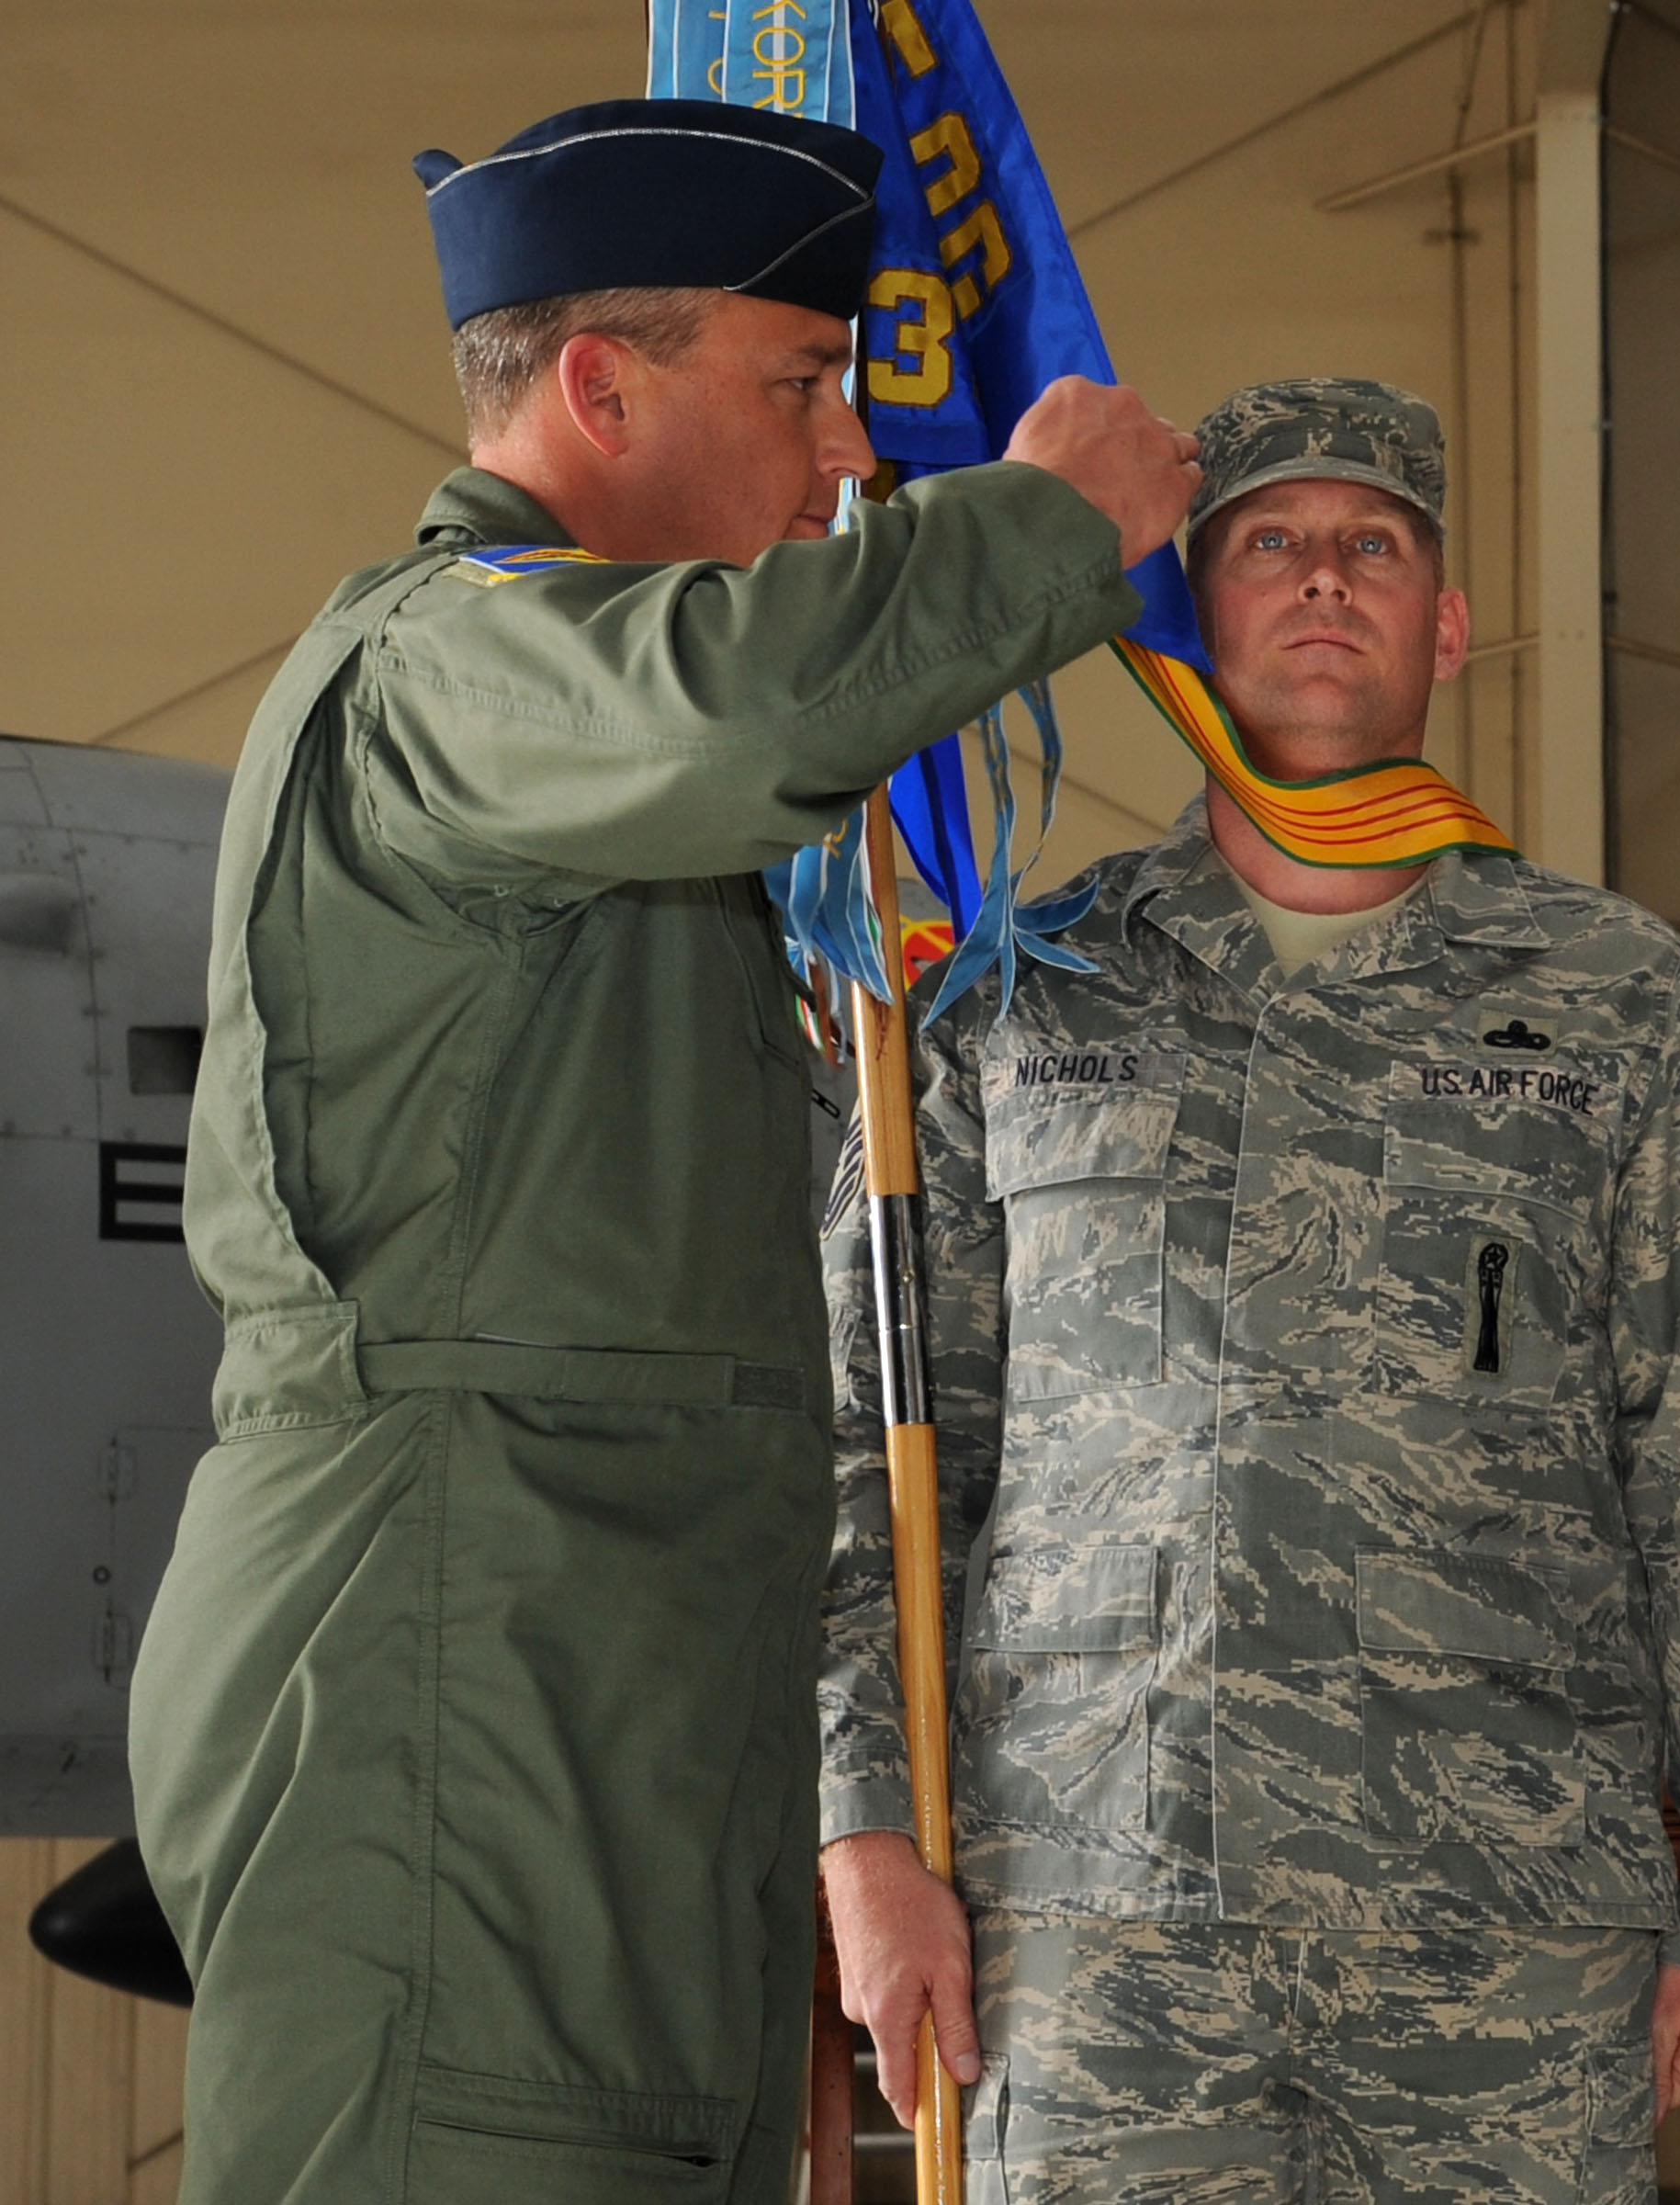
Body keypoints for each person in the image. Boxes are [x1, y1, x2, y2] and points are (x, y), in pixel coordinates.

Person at [128, 97, 1198, 2205]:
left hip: (580, 1685)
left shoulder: (571, 741)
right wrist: (1038, 523)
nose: (843, 458)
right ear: (599, 386)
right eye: (801, 385)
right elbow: (744, 716)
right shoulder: (449, 667)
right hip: (461, 1676)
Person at [817, 378, 1680, 2204]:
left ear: (1445, 624)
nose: (1322, 581)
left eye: (1374, 545)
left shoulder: (1608, 994)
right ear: (1189, 614)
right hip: (1104, 1926)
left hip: (1507, 1935)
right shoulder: (1019, 1001)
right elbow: (878, 1455)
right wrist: (867, 1841)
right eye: (1268, 544)